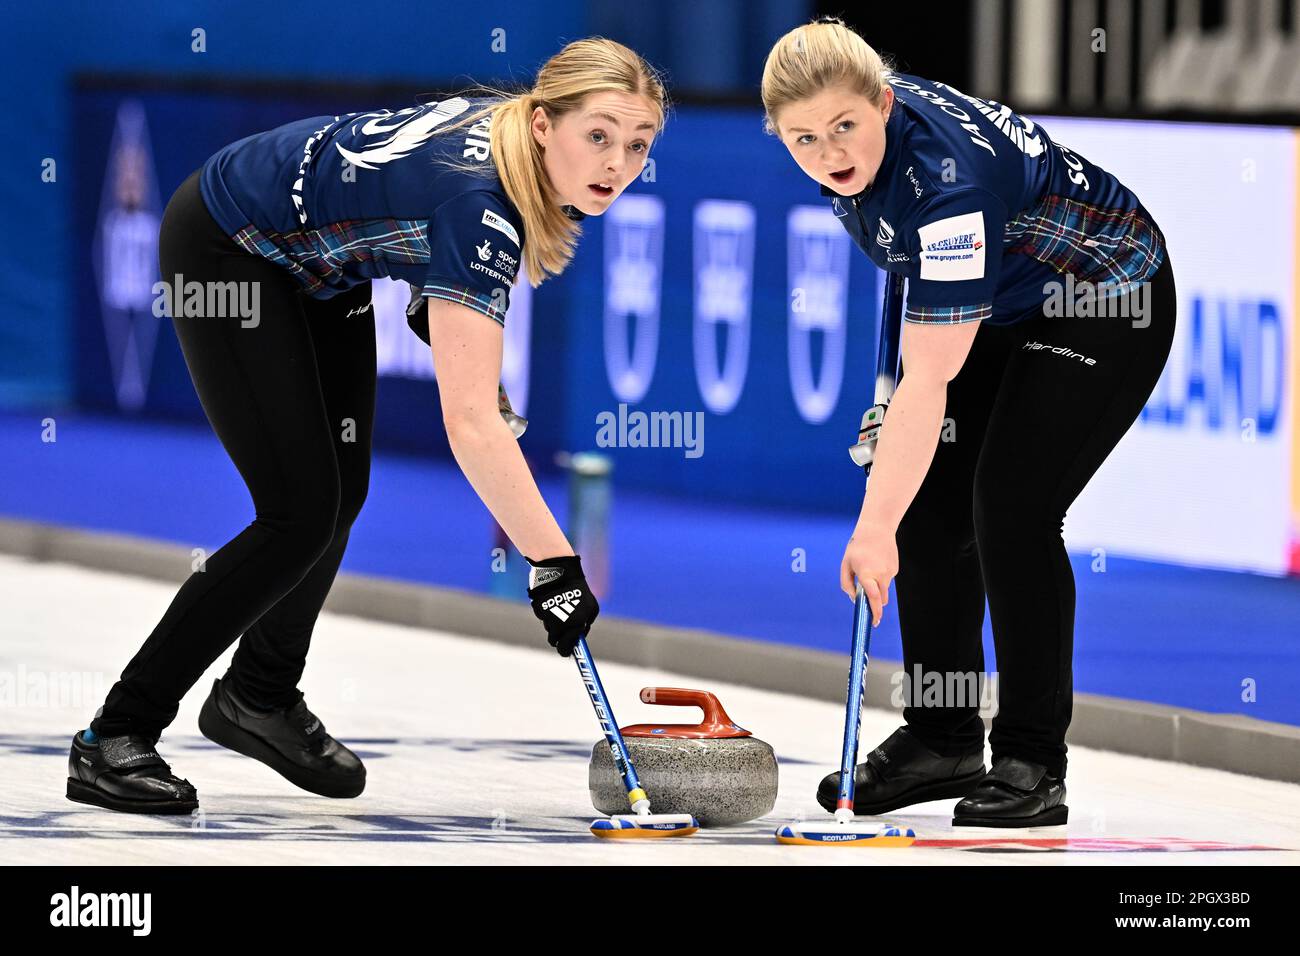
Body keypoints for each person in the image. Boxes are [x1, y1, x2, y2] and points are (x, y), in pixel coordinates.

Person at [66, 38, 667, 815]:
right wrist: (553, 564)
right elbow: (473, 425)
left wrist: (433, 305)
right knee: (298, 511)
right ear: (545, 122)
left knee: (340, 491)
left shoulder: (510, 146)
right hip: (229, 247)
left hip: (322, 266)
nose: (617, 163)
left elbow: (403, 211)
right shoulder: (481, 205)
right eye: (600, 136)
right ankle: (114, 736)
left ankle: (258, 696)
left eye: (638, 145)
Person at [762, 17, 1175, 827]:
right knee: (929, 499)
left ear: (883, 102)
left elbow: (930, 380)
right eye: (803, 138)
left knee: (1012, 508)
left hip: (1102, 292)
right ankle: (942, 738)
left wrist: (871, 529)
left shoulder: (948, 184)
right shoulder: (863, 149)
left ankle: (1032, 761)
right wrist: (892, 482)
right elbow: (906, 276)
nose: (829, 152)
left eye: (845, 127)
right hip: (1006, 298)